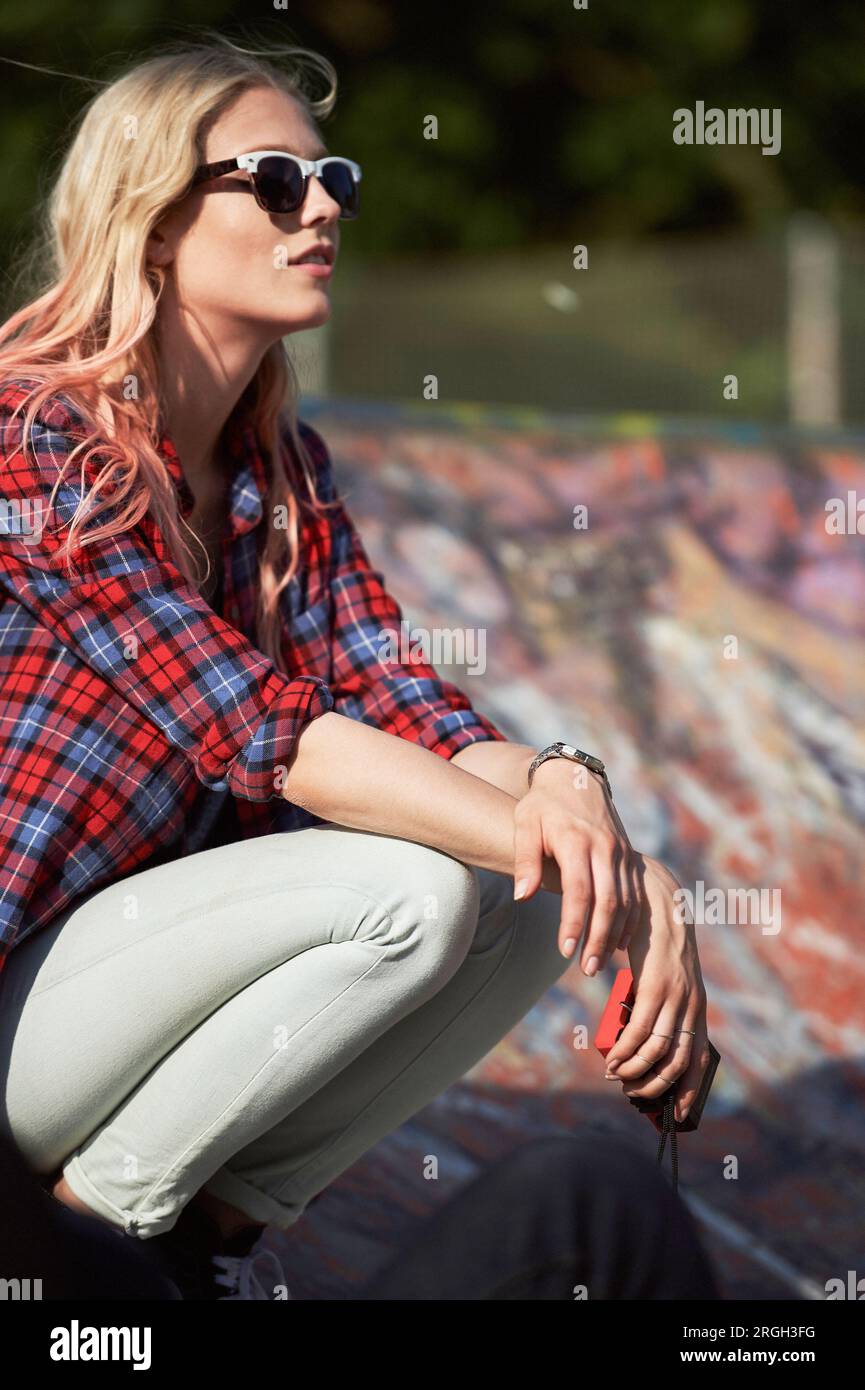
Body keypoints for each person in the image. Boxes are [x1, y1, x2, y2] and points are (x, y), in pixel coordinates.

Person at [0, 35, 712, 1300]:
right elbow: (265, 733)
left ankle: (208, 1238)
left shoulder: (284, 474)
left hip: (129, 1014)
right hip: (23, 994)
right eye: (274, 179)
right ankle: (95, 1241)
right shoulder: (35, 435)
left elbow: (406, 702)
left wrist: (597, 827)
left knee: (541, 886)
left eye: (335, 178)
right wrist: (599, 864)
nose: (323, 204)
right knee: (414, 890)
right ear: (153, 218)